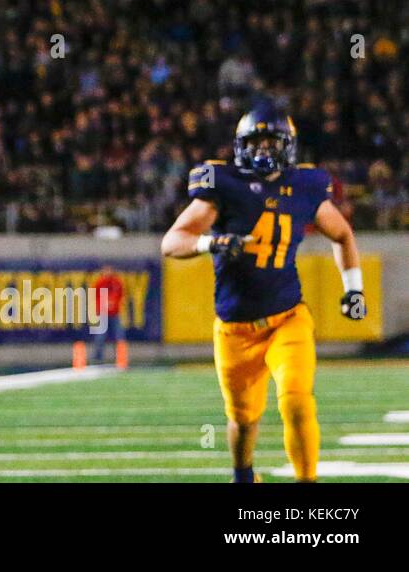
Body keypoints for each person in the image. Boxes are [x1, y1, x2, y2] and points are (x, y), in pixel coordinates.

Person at [161, 102, 366, 483]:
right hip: (235, 330)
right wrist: (213, 242)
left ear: (288, 145)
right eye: (256, 142)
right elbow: (172, 241)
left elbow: (342, 234)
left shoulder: (306, 185)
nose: (264, 151)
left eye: (272, 142)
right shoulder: (222, 185)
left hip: (288, 318)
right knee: (242, 419)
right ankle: (243, 474)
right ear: (240, 146)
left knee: (296, 400)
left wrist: (354, 289)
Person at [89, 265, 125, 364]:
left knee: (119, 336)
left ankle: (120, 357)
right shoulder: (100, 282)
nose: (108, 273)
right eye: (106, 271)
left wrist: (113, 303)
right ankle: (97, 357)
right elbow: (95, 296)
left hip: (115, 313)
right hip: (103, 313)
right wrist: (104, 304)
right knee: (100, 336)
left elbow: (120, 295)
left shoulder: (116, 282)